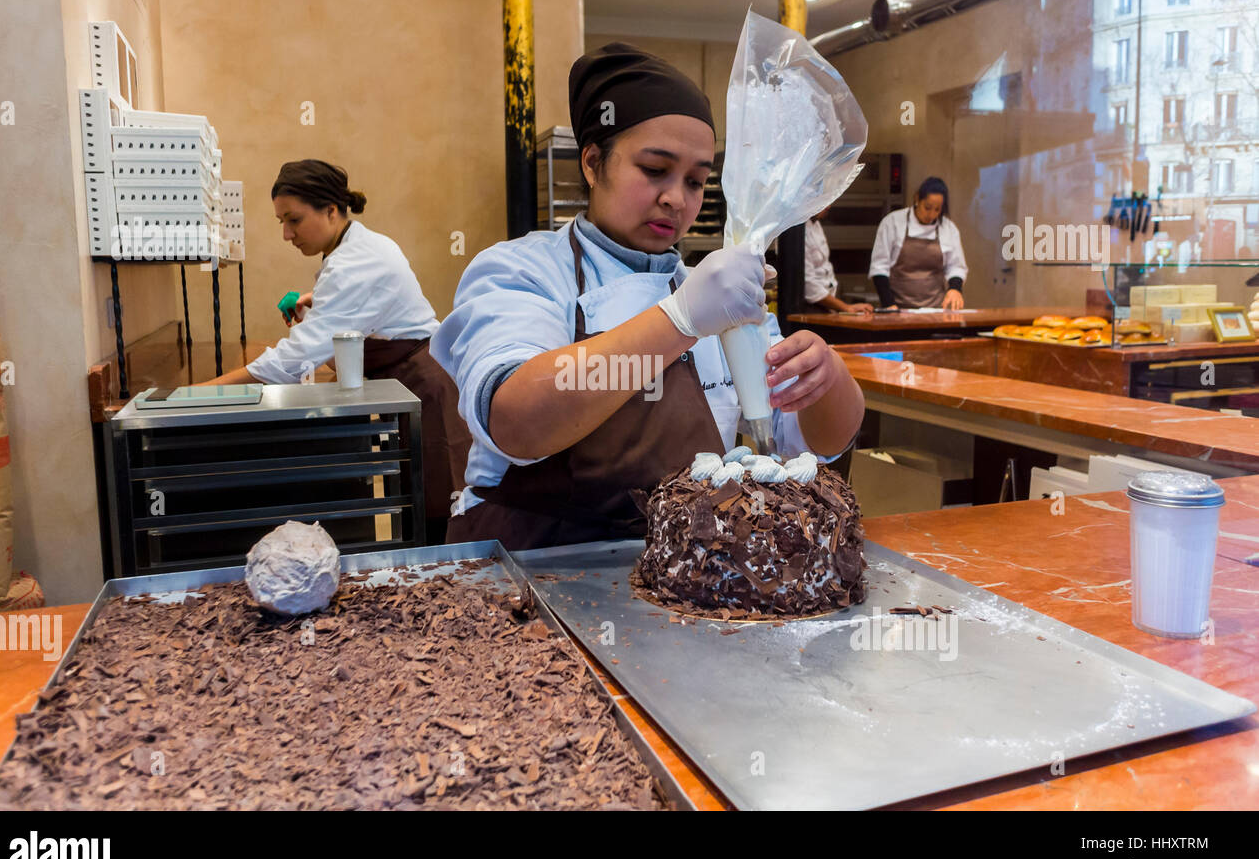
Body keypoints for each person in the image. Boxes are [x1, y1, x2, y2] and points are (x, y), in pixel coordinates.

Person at [430, 43, 865, 551]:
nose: (676, 199)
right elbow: (516, 420)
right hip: (529, 572)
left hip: (687, 576)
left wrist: (825, 377)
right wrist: (679, 320)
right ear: (593, 163)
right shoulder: (523, 271)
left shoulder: (714, 294)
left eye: (697, 180)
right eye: (655, 169)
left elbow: (814, 445)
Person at [202, 160, 471, 544]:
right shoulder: (356, 247)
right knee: (418, 502)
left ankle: (445, 593)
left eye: (293, 220)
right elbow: (351, 318)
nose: (285, 234)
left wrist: (205, 391)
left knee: (438, 511)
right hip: (409, 383)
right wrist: (319, 305)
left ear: (330, 210)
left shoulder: (354, 261)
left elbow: (292, 361)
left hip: (426, 387)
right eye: (281, 221)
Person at [869, 176, 967, 310]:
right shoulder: (893, 222)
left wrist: (955, 288)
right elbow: (879, 266)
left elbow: (956, 267)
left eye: (937, 209)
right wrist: (888, 304)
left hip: (936, 310)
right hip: (897, 309)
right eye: (927, 207)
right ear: (917, 199)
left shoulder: (948, 228)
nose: (931, 214)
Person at [805, 207, 872, 314]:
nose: (828, 206)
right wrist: (846, 307)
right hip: (809, 308)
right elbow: (808, 286)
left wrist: (841, 307)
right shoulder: (797, 229)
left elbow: (825, 267)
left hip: (827, 303)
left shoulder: (816, 224)